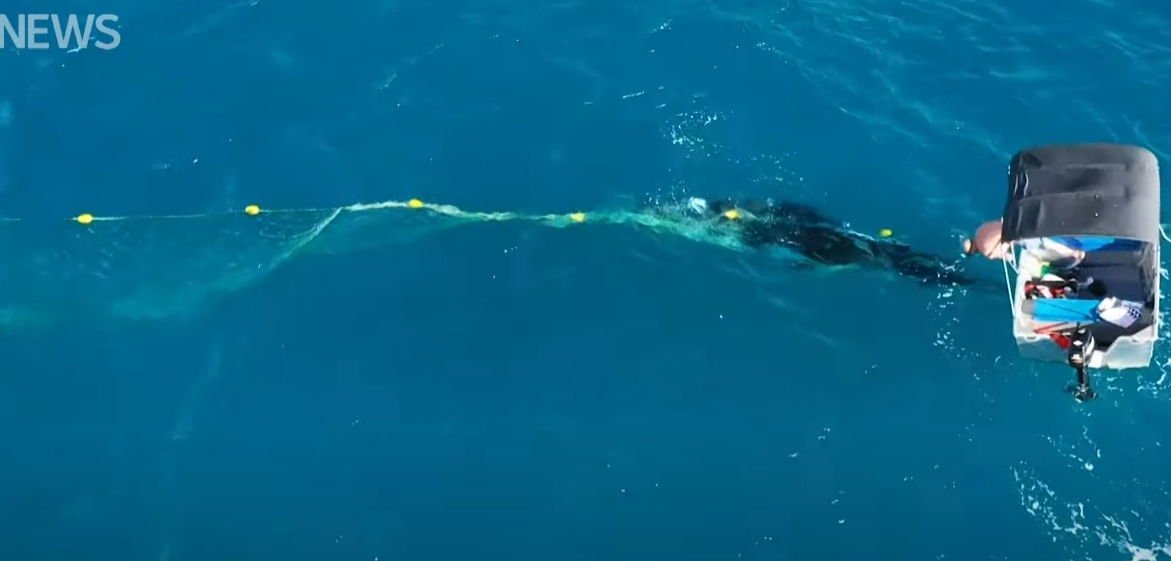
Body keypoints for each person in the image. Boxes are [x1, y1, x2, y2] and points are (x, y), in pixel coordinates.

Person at [687, 197, 978, 288]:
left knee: (910, 266)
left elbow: (826, 264)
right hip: (852, 245)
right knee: (908, 262)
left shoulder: (765, 234)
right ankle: (968, 280)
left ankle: (971, 283)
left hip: (847, 250)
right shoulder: (777, 231)